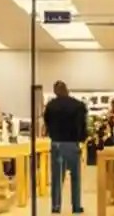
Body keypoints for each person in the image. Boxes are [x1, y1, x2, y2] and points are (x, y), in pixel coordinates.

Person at [43, 80, 88, 214]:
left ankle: (56, 206)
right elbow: (82, 125)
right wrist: (82, 139)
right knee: (76, 177)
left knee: (57, 177)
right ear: (67, 89)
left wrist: (52, 134)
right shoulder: (78, 105)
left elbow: (47, 123)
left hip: (57, 144)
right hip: (73, 144)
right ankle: (76, 206)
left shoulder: (51, 106)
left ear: (55, 91)